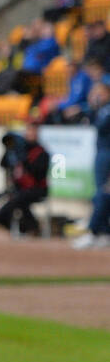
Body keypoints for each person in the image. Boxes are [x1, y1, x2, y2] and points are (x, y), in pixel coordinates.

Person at [0, 123, 49, 235]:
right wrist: (9, 150)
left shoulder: (42, 153)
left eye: (32, 132)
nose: (30, 134)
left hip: (38, 189)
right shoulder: (19, 149)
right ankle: (27, 227)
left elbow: (38, 173)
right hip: (21, 190)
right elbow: (2, 164)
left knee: (18, 199)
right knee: (17, 199)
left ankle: (29, 226)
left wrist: (24, 161)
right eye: (28, 132)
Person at [71, 82, 110, 249]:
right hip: (102, 153)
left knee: (102, 193)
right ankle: (103, 232)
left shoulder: (107, 110)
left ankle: (94, 231)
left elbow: (100, 125)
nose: (96, 96)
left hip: (107, 156)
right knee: (100, 194)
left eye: (99, 93)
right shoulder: (101, 110)